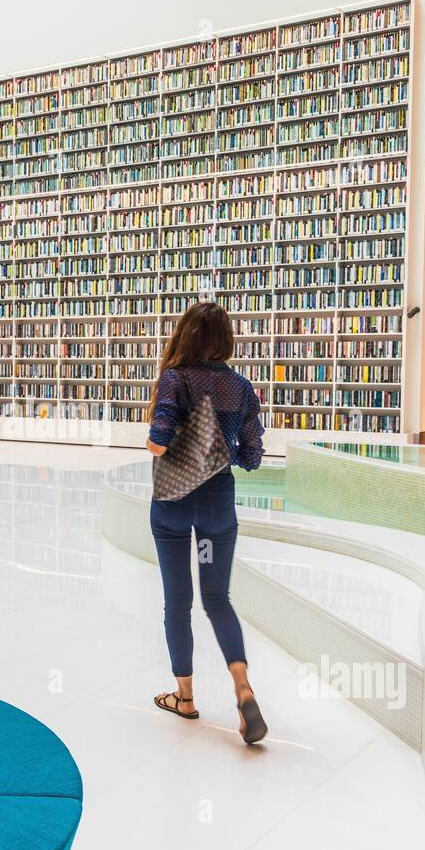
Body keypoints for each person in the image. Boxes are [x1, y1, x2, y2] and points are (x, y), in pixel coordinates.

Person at [145, 301, 268, 745]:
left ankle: (185, 697)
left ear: (186, 336)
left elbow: (158, 444)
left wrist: (177, 440)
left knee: (177, 602)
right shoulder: (241, 387)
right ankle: (242, 686)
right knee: (218, 599)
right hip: (217, 505)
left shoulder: (175, 378)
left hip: (174, 504)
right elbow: (253, 457)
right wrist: (222, 449)